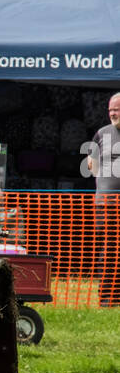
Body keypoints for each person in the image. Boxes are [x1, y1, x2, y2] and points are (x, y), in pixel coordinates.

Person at [85, 93, 120, 305]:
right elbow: (91, 164)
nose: (113, 114)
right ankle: (107, 298)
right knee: (108, 249)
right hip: (106, 205)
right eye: (110, 110)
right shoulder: (101, 133)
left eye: (117, 109)